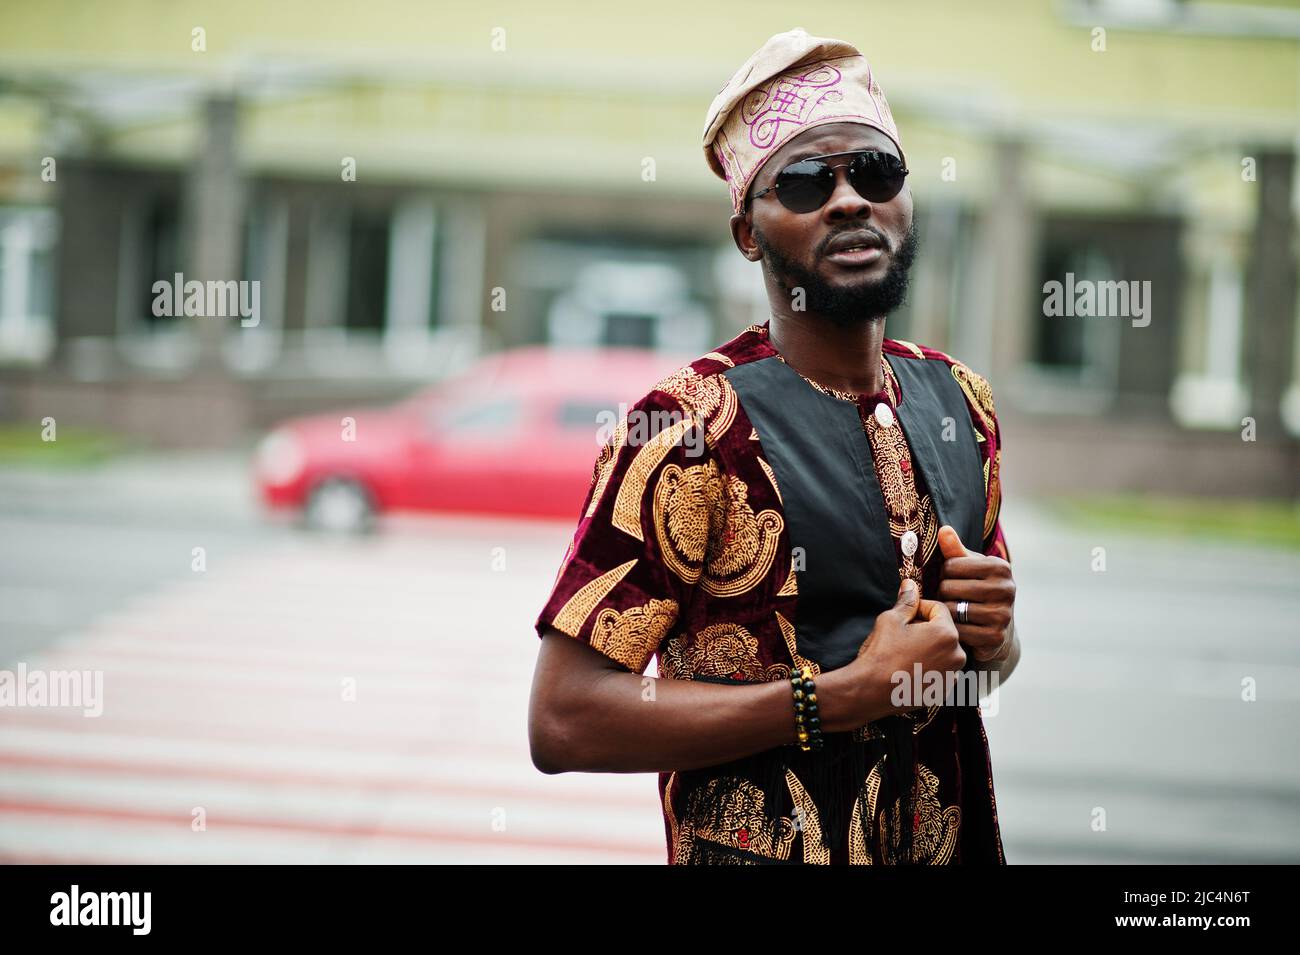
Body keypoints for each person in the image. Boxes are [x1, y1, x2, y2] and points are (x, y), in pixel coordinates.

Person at [527, 27, 1021, 865]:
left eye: (874, 171)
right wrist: (840, 696)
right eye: (802, 182)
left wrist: (995, 638)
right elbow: (563, 718)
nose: (848, 201)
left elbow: (974, 669)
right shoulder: (690, 428)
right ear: (748, 235)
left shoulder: (958, 402)